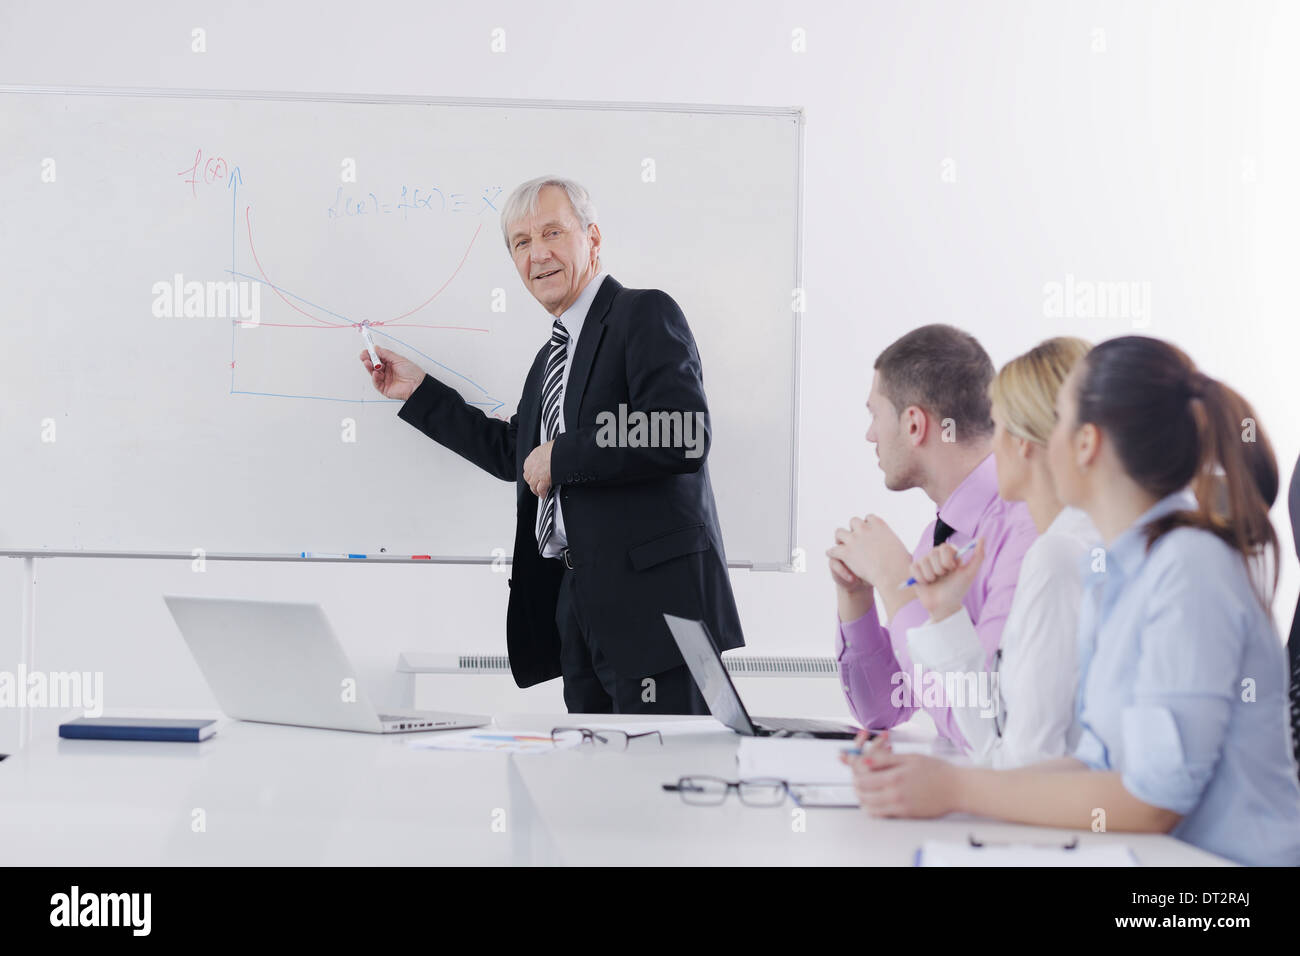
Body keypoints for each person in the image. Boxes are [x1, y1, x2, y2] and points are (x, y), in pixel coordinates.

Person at [844, 335, 1300, 867]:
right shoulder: (1119, 572)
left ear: (1085, 444)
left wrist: (957, 790)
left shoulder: (1188, 566)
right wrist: (942, 781)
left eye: (1052, 420)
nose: (1015, 441)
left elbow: (1154, 802)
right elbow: (1090, 766)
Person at [361, 175, 741, 714]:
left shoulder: (643, 314)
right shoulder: (549, 360)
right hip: (578, 612)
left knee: (662, 788)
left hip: (658, 617)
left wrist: (562, 456)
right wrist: (419, 391)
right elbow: (514, 453)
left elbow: (681, 430)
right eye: (521, 242)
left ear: (593, 237)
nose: (537, 254)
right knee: (589, 789)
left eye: (551, 233)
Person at [827, 324, 1038, 747]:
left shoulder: (1026, 526)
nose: (870, 434)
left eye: (874, 414)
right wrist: (858, 600)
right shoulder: (939, 537)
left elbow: (986, 725)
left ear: (914, 423)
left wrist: (895, 583)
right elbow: (884, 709)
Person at [905, 337, 1099, 767]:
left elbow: (1022, 764)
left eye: (996, 427)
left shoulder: (1056, 555)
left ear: (1025, 442)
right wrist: (945, 613)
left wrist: (946, 788)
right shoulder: (1071, 544)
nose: (990, 449)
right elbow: (999, 740)